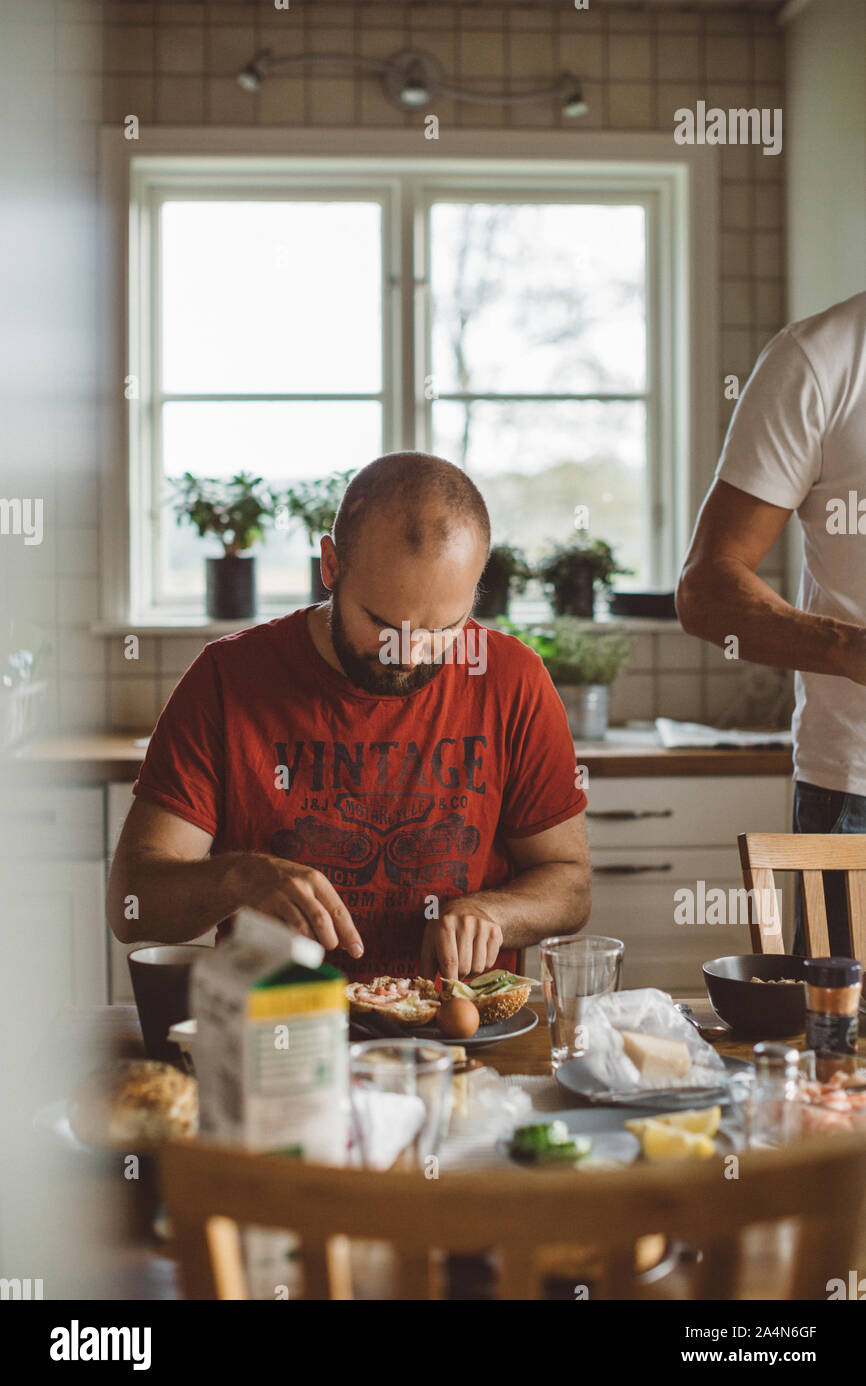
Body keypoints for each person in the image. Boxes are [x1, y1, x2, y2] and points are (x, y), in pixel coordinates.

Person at [108, 452, 591, 982]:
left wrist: (493, 913)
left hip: (459, 1044)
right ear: (331, 566)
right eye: (384, 624)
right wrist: (240, 879)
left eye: (443, 629)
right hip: (277, 1033)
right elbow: (132, 905)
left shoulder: (512, 679)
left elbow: (569, 885)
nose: (408, 654)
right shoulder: (228, 679)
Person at [677, 292, 866, 954]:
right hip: (857, 796)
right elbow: (706, 587)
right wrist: (850, 648)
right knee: (841, 1052)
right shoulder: (821, 361)